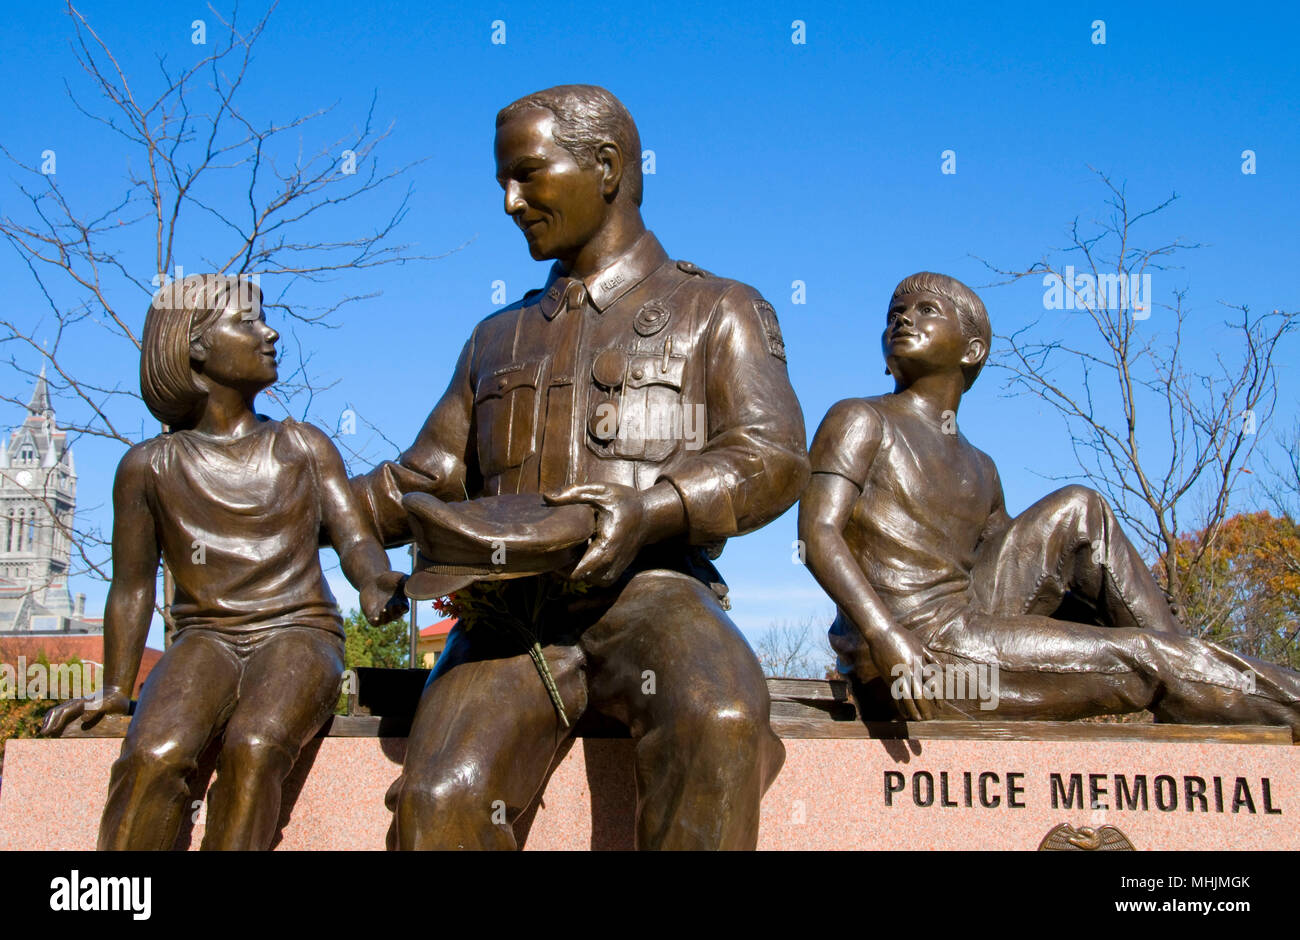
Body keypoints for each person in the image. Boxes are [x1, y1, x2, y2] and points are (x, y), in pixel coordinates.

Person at [350, 85, 810, 849]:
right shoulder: (495, 336)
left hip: (655, 599)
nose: (509, 200)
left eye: (527, 174)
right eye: (502, 180)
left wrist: (653, 510)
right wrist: (313, 502)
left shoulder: (718, 308)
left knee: (719, 716)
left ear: (605, 167)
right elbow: (424, 477)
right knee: (440, 800)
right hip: (510, 622)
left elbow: (772, 457)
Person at [798, 271, 1300, 736]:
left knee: (1082, 508)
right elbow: (817, 533)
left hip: (969, 623)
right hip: (913, 651)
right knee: (1148, 659)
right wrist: (883, 632)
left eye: (927, 310)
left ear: (973, 350)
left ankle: (1180, 660)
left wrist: (1107, 616)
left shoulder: (981, 466)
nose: (903, 319)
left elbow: (1028, 576)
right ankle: (1186, 667)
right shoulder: (860, 418)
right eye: (894, 315)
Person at [42, 273, 409, 850]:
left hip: (298, 632)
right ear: (196, 346)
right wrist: (115, 688)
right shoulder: (148, 466)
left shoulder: (304, 445)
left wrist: (376, 582)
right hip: (205, 639)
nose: (270, 332)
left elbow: (356, 540)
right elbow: (132, 589)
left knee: (255, 745)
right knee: (153, 754)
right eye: (247, 322)